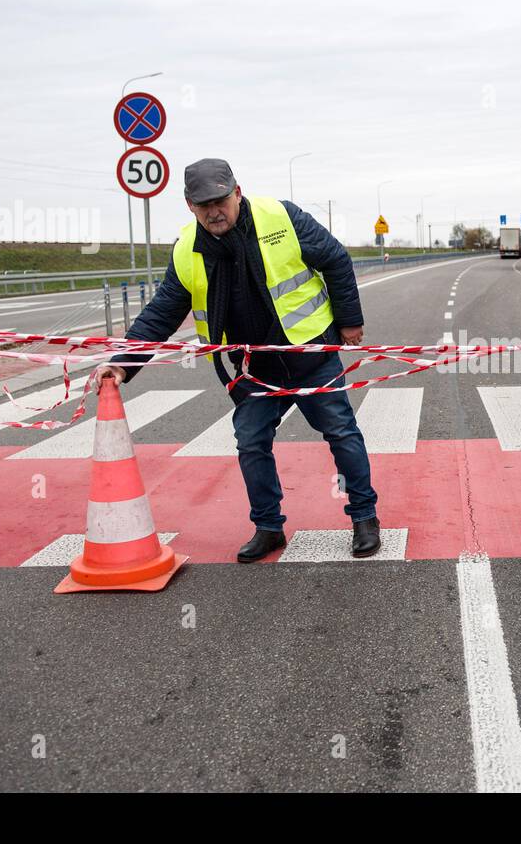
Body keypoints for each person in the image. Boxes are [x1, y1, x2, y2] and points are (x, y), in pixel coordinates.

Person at [91, 158, 381, 561]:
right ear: (190, 206)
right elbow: (162, 313)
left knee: (341, 432)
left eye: (220, 200)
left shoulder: (281, 218)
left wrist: (350, 321)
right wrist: (124, 362)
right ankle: (268, 527)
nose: (213, 211)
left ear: (237, 193)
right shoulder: (187, 249)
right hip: (252, 369)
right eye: (202, 204)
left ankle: (364, 518)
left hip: (309, 353)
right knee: (250, 442)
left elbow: (334, 258)